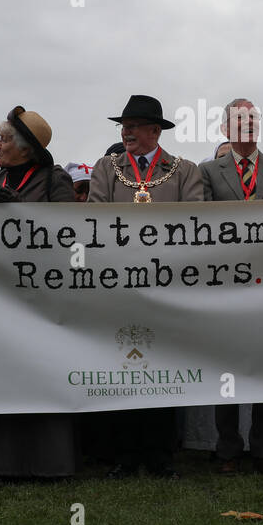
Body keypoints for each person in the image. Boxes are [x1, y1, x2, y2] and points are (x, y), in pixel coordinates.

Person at [0, 107, 77, 481]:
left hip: (40, 293)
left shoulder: (54, 179)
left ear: (26, 149)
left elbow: (67, 232)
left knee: (39, 374)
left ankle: (45, 463)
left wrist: (19, 209)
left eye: (5, 140)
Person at [88, 95, 202, 478]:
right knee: (123, 367)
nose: (126, 132)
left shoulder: (184, 170)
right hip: (119, 284)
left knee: (162, 368)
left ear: (155, 131)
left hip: (167, 282)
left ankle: (160, 455)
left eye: (134, 125)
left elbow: (195, 225)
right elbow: (96, 217)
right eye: (124, 125)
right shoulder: (107, 167)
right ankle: (125, 454)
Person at [197, 99, 263, 476]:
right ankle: (227, 449)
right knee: (227, 367)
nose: (247, 125)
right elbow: (202, 228)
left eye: (253, 119)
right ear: (225, 129)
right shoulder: (207, 172)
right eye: (239, 120)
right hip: (226, 285)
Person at [0, 108, 74, 204]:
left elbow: (66, 217)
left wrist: (20, 206)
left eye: (3, 140)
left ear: (24, 149)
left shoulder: (54, 178)